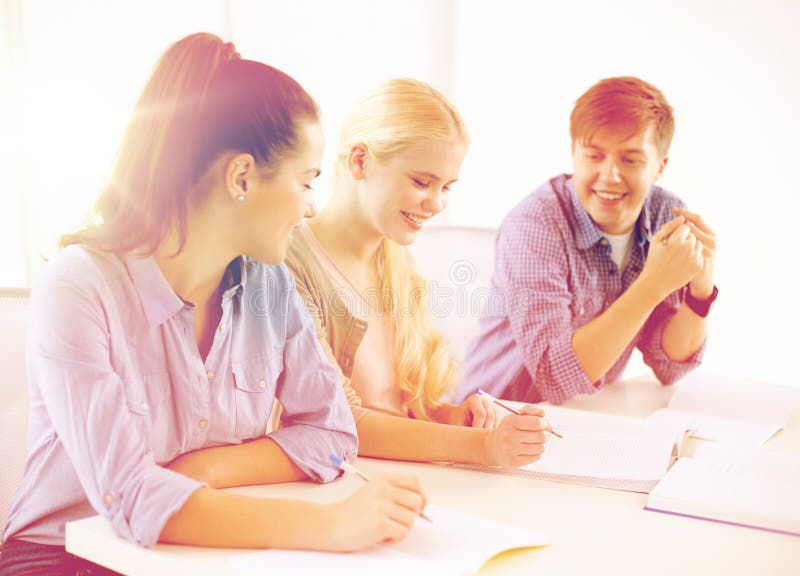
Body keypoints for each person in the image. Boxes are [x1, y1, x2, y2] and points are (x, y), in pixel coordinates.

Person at [0, 33, 428, 576]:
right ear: (242, 177)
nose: (312, 208)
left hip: (200, 553)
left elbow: (331, 433)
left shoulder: (269, 285)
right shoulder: (78, 289)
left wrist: (201, 470)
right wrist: (330, 526)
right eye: (306, 182)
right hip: (64, 557)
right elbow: (129, 498)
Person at [285, 78, 549, 467]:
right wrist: (479, 447)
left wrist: (455, 419)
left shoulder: (392, 255)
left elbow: (399, 406)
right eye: (422, 182)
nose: (437, 202)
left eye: (447, 186)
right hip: (343, 481)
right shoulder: (288, 263)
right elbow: (340, 421)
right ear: (359, 161)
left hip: (404, 476)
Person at [457, 76, 717, 405]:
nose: (609, 175)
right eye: (594, 156)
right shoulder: (534, 226)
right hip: (492, 418)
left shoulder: (665, 214)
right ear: (574, 153)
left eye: (630, 159)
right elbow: (555, 376)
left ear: (659, 167)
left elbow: (669, 366)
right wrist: (653, 284)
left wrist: (700, 290)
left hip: (582, 421)